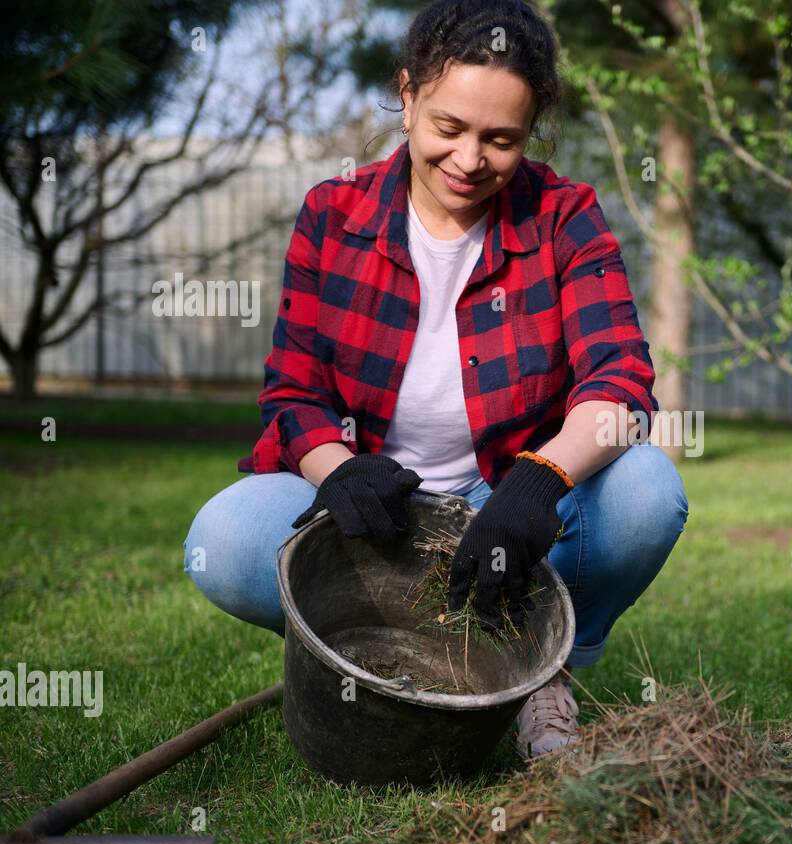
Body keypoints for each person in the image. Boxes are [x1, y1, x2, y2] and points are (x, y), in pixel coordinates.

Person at [183, 0, 688, 761]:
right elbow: (291, 395)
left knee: (649, 490)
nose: (468, 160)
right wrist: (340, 470)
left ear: (532, 133)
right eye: (448, 128)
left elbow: (622, 378)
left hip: (509, 499)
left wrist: (537, 483)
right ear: (409, 94)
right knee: (219, 540)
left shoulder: (565, 217)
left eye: (500, 140)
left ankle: (542, 664)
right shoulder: (332, 214)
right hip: (384, 506)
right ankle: (381, 641)